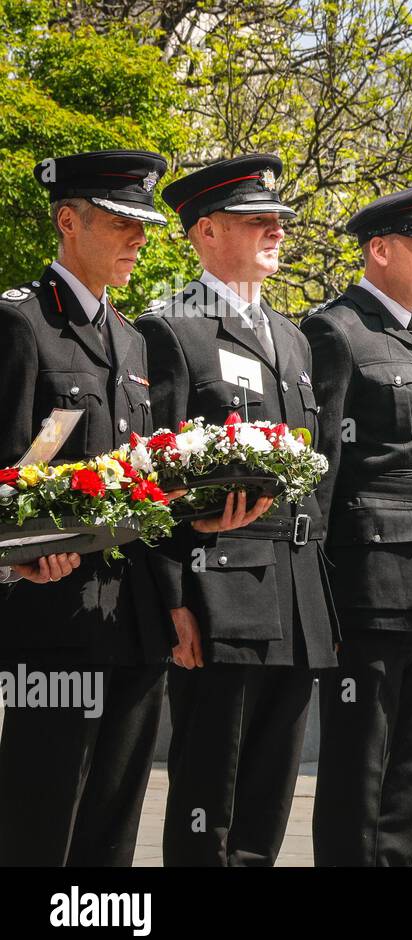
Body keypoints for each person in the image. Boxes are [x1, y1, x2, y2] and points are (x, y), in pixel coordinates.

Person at [138, 153, 340, 865]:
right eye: (257, 221)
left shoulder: (291, 336)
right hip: (219, 593)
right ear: (205, 233)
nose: (275, 232)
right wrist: (174, 601)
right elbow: (150, 480)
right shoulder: (171, 331)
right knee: (207, 800)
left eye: (278, 220)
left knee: (266, 805)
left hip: (293, 599)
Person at [0, 149, 173, 865]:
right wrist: (21, 556)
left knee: (112, 829)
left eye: (144, 225)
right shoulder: (23, 323)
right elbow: (14, 466)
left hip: (130, 619)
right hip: (54, 617)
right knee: (40, 819)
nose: (139, 239)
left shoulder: (131, 339)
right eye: (122, 223)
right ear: (68, 221)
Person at [301, 185, 412, 865]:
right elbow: (322, 470)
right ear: (378, 250)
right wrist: (320, 598)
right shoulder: (337, 331)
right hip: (371, 589)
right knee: (358, 778)